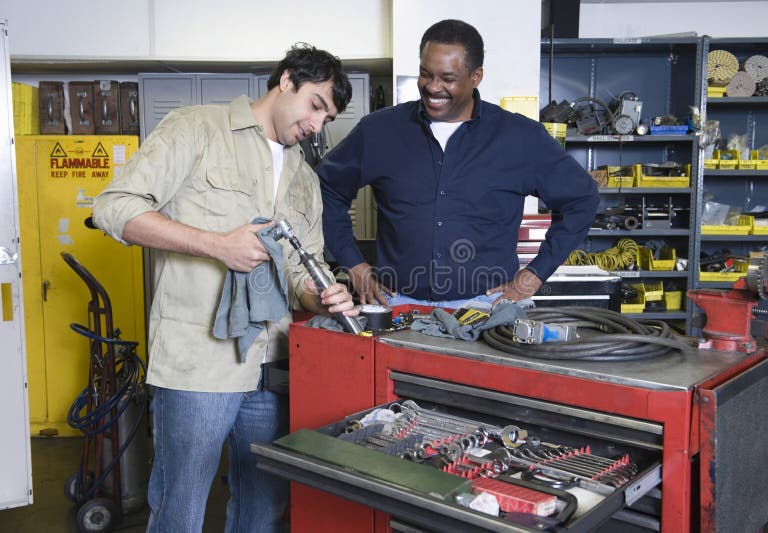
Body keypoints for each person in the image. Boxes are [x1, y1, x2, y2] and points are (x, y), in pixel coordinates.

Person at [92, 44, 357, 533]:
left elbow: (304, 267)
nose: (318, 126)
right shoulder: (197, 128)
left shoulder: (304, 179)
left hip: (271, 365)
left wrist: (319, 295)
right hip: (199, 364)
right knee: (181, 510)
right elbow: (115, 208)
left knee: (262, 510)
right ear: (286, 81)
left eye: (329, 117)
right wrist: (216, 245)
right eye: (315, 106)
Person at [317, 19, 599, 309]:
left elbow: (582, 198)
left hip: (485, 309)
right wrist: (354, 264)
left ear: (475, 76)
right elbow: (326, 188)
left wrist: (534, 275)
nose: (432, 87)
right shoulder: (379, 131)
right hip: (396, 304)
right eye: (425, 74)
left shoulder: (520, 138)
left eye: (447, 78)